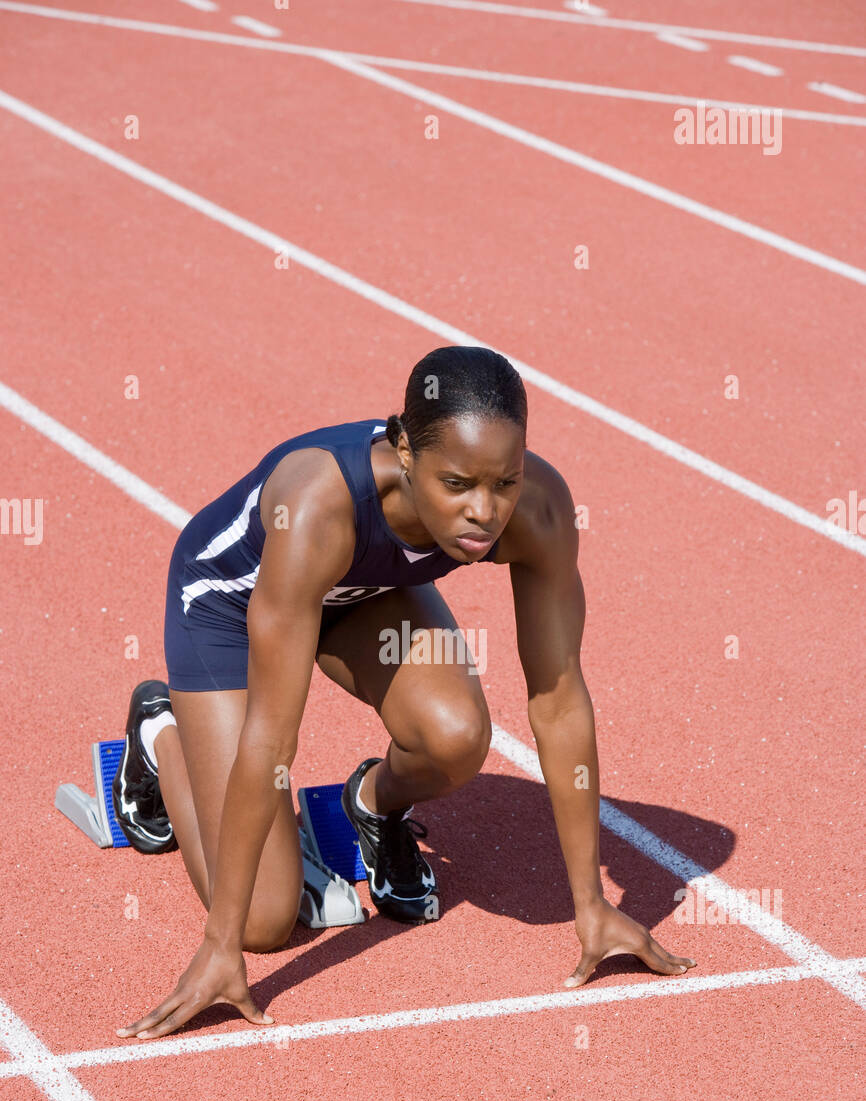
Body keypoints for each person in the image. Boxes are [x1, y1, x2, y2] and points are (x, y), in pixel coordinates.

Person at [114, 345, 695, 1041]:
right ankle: (160, 732)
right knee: (266, 920)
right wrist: (220, 946)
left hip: (359, 591)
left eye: (503, 482)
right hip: (230, 610)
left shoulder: (534, 510)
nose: (484, 512)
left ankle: (371, 805)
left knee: (455, 736)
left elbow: (560, 697)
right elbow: (273, 737)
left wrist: (591, 904)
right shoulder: (319, 504)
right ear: (403, 452)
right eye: (457, 483)